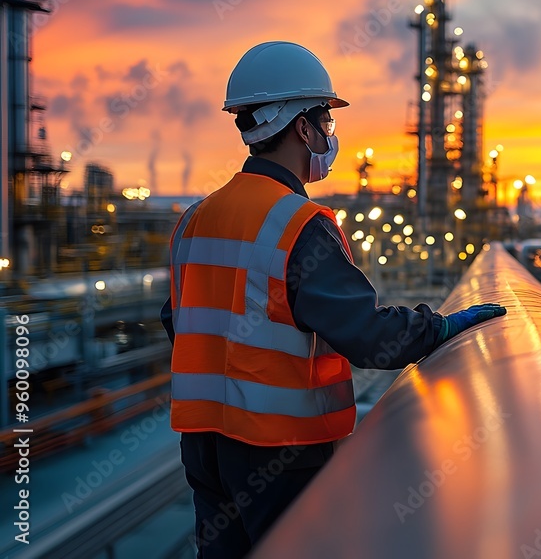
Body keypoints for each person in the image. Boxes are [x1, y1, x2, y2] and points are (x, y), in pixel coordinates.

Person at [159, 41, 506, 558]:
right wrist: (441, 328)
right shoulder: (298, 224)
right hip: (280, 451)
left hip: (203, 445)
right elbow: (368, 336)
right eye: (326, 121)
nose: (329, 134)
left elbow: (181, 321)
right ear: (303, 128)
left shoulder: (193, 220)